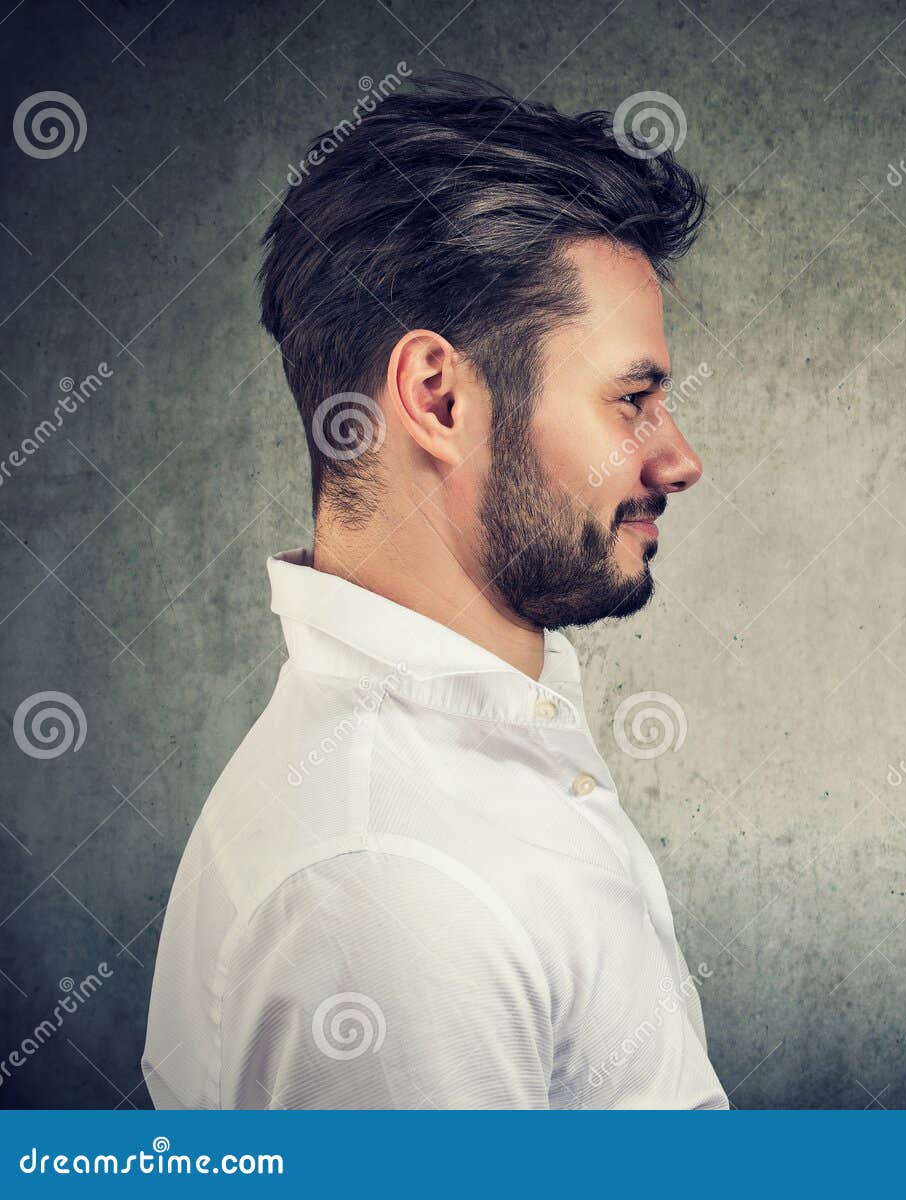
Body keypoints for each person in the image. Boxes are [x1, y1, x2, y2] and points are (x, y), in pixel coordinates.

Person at [141, 72, 725, 1109]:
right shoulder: (387, 887)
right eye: (631, 399)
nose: (676, 460)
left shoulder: (458, 777)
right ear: (438, 398)